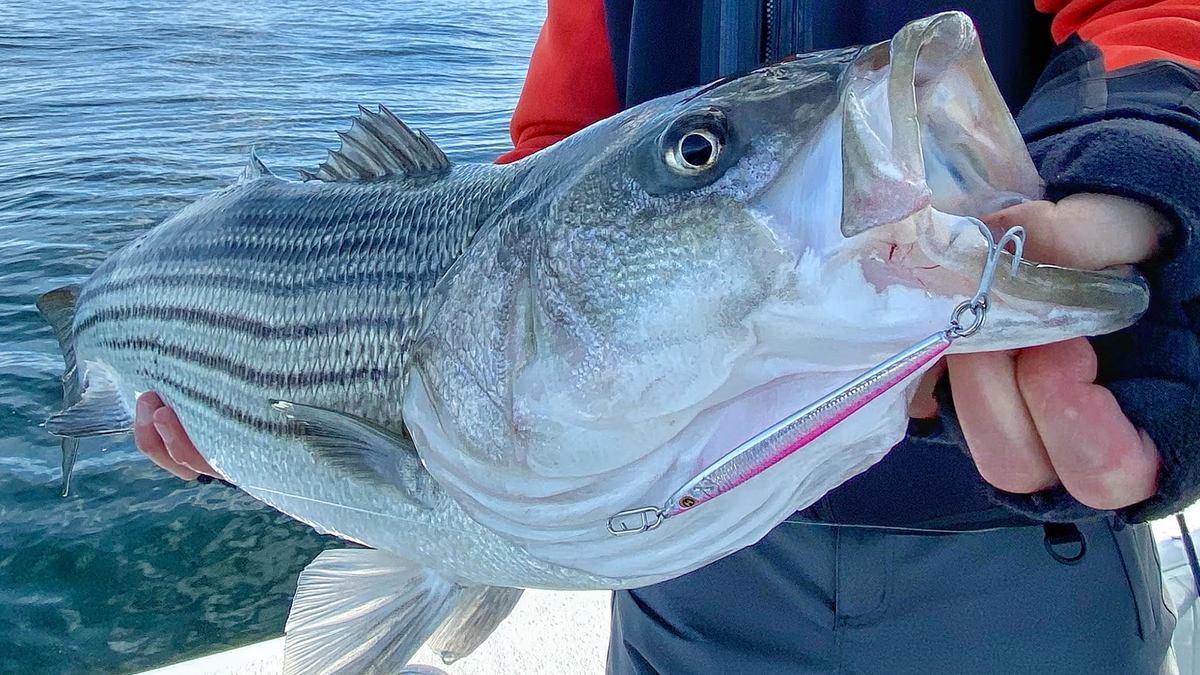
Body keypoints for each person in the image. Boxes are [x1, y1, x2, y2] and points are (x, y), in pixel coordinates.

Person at [138, 1, 1200, 672]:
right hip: (688, 579)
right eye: (701, 151)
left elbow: (1162, 22)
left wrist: (1148, 151)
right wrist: (244, 415)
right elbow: (547, 168)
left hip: (1025, 551)